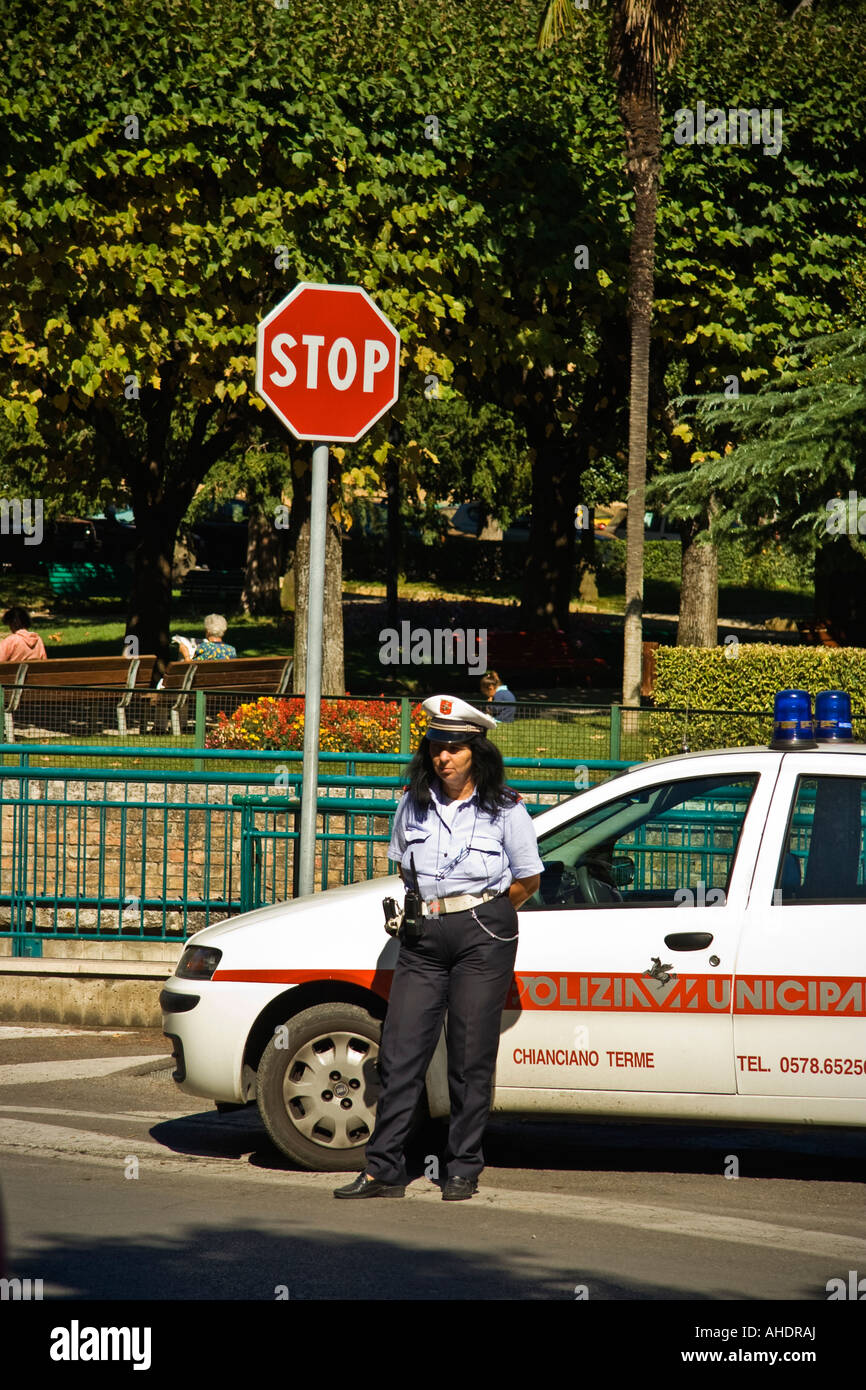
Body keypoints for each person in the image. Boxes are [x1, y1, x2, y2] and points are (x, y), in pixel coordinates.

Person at [334, 693, 543, 1202]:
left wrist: (484, 913)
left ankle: (462, 1167)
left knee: (470, 1057)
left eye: (453, 747)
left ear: (477, 750)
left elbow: (529, 879)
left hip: (483, 934)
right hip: (423, 934)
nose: (442, 756)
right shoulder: (412, 802)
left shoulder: (506, 808)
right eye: (435, 746)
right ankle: (384, 1171)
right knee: (402, 1052)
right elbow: (405, 867)